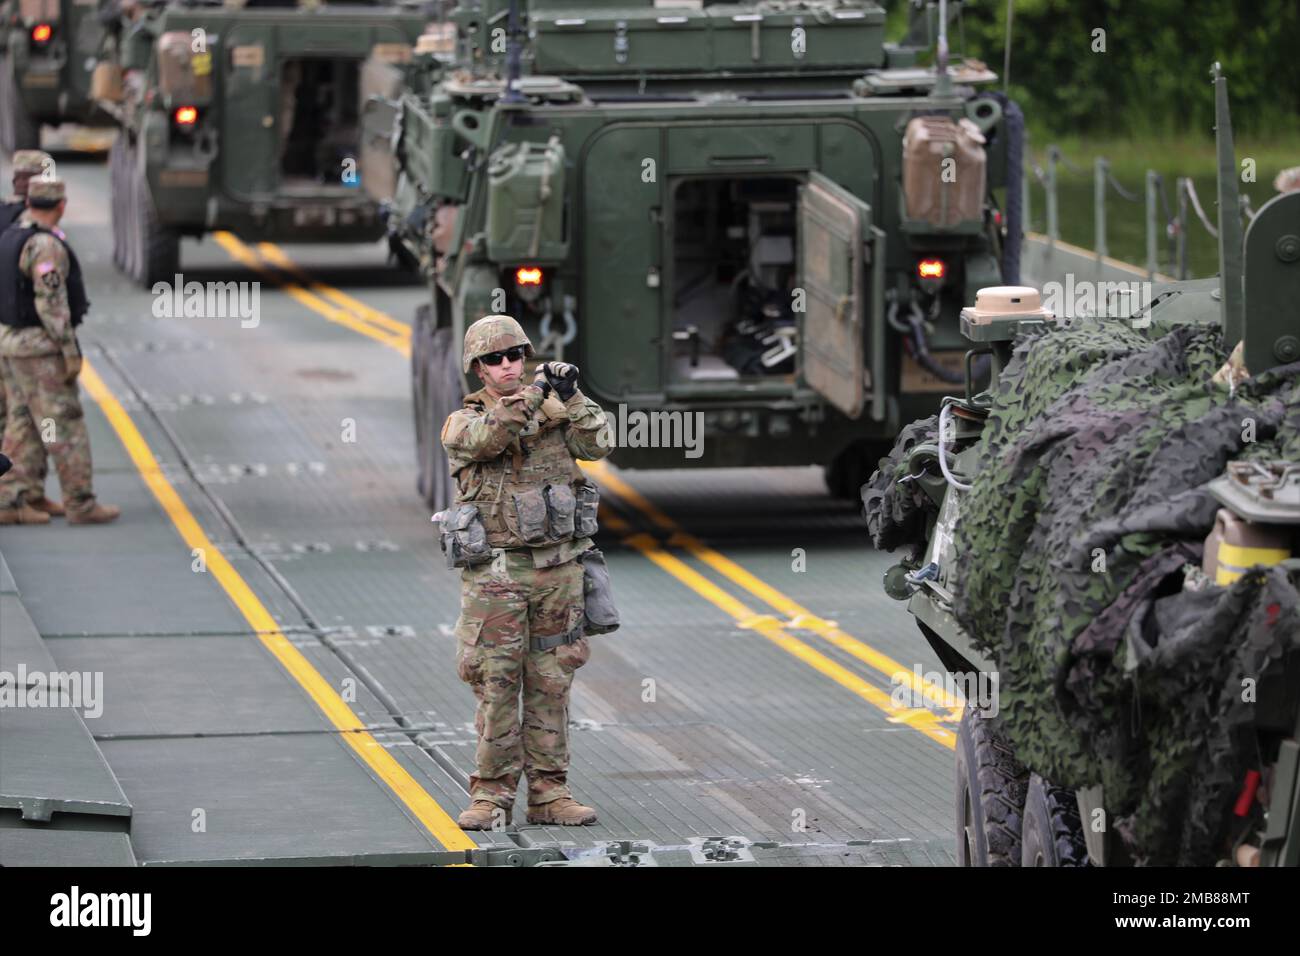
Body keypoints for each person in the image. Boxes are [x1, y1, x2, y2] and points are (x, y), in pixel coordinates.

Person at [440, 314, 613, 829]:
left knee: (552, 682)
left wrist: (573, 396)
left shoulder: (558, 413)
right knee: (496, 683)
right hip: (496, 575)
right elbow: (496, 436)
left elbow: (598, 444)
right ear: (478, 369)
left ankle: (549, 792)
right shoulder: (463, 423)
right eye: (495, 359)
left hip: (557, 570)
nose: (508, 365)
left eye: (516, 355)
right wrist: (538, 394)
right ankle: (491, 796)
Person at [0, 179, 119, 525]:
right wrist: (68, 349)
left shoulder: (11, 236)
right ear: (61, 206)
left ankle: (13, 496)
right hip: (39, 350)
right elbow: (51, 304)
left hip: (11, 345)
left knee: (23, 421)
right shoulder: (44, 246)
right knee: (61, 422)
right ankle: (80, 502)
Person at [1, 149, 61, 522]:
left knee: (20, 417)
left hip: (9, 331)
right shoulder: (28, 226)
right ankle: (13, 498)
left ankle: (29, 493)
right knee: (25, 417)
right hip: (19, 333)